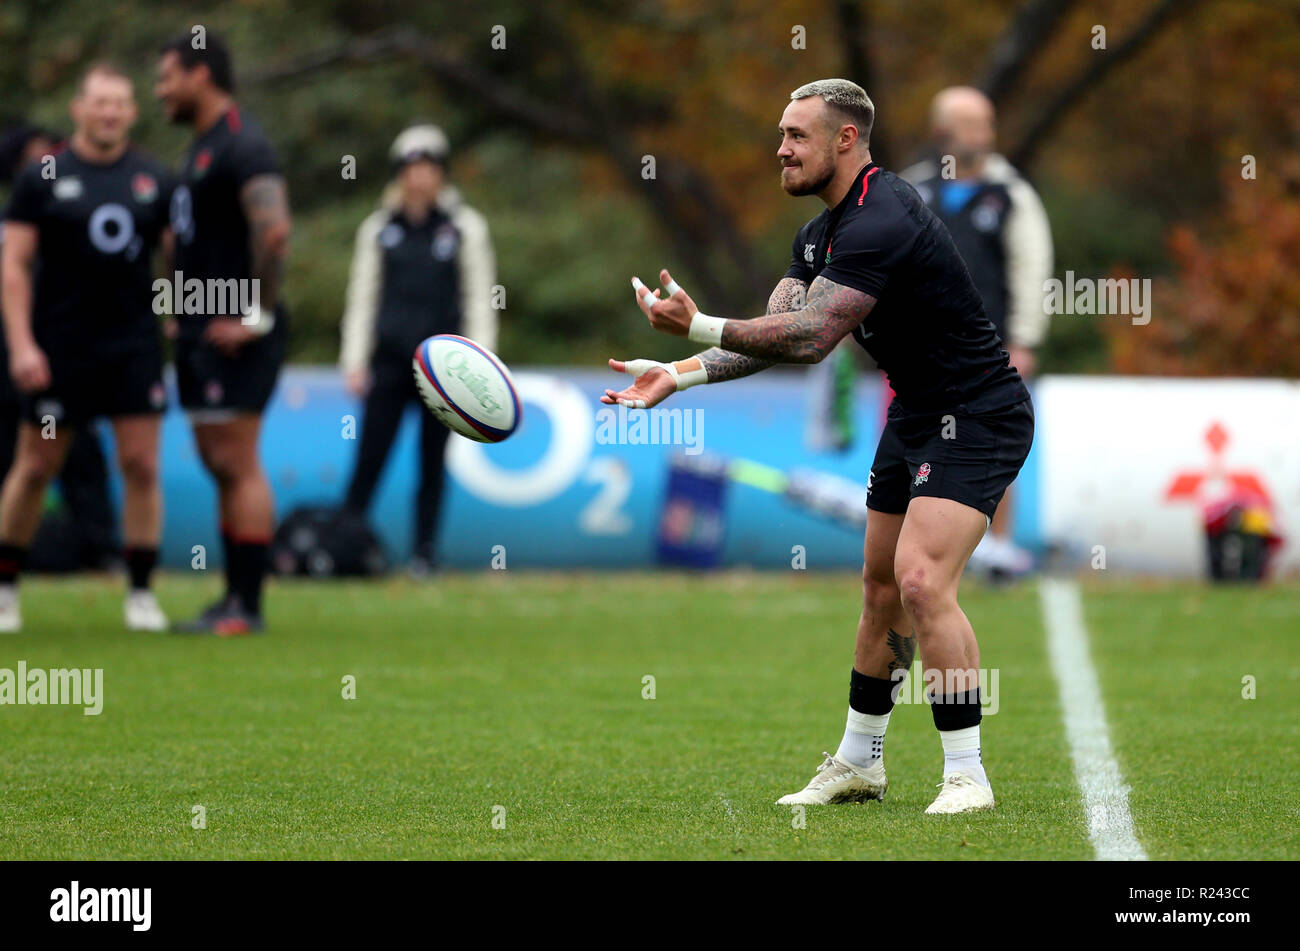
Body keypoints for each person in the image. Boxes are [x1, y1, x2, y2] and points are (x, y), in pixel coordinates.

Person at [603, 78, 1034, 815]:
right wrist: (678, 373)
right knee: (880, 588)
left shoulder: (882, 216)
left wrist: (698, 327)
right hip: (918, 413)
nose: (781, 147)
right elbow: (776, 335)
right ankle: (860, 762)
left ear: (845, 139)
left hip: (980, 411)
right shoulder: (817, 233)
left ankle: (968, 775)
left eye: (797, 135)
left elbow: (810, 336)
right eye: (781, 132)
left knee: (923, 581)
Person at [0, 65, 173, 632]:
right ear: (79, 108)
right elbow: (14, 266)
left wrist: (176, 312)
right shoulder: (43, 176)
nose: (109, 112)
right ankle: (5, 588)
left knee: (141, 464)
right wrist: (22, 343)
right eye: (100, 102)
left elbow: (176, 258)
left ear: (132, 112)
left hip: (131, 349)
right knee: (37, 464)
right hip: (59, 349)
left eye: (120, 103)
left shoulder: (155, 178)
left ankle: (142, 592)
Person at [155, 33, 291, 634]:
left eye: (167, 78)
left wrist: (255, 314)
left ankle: (248, 606)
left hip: (237, 332)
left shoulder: (243, 142)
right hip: (201, 329)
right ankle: (232, 598)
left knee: (238, 462)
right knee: (217, 459)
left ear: (200, 74)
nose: (160, 91)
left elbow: (275, 232)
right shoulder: (201, 148)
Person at [902, 86, 1053, 577]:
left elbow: (1033, 270)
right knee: (913, 445)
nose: (985, 135)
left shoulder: (1011, 195)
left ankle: (997, 555)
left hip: (989, 350)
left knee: (991, 446)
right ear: (943, 132)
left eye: (988, 124)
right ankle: (917, 553)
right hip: (920, 353)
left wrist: (1024, 340)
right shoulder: (910, 191)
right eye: (974, 125)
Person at [339, 124, 497, 573]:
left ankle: (424, 552)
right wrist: (354, 360)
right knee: (370, 456)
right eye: (411, 168)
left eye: (428, 168)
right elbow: (363, 298)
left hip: (443, 370)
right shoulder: (378, 229)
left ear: (442, 174)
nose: (419, 178)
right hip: (389, 363)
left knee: (432, 461)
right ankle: (347, 545)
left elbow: (478, 299)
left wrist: (479, 363)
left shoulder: (464, 228)